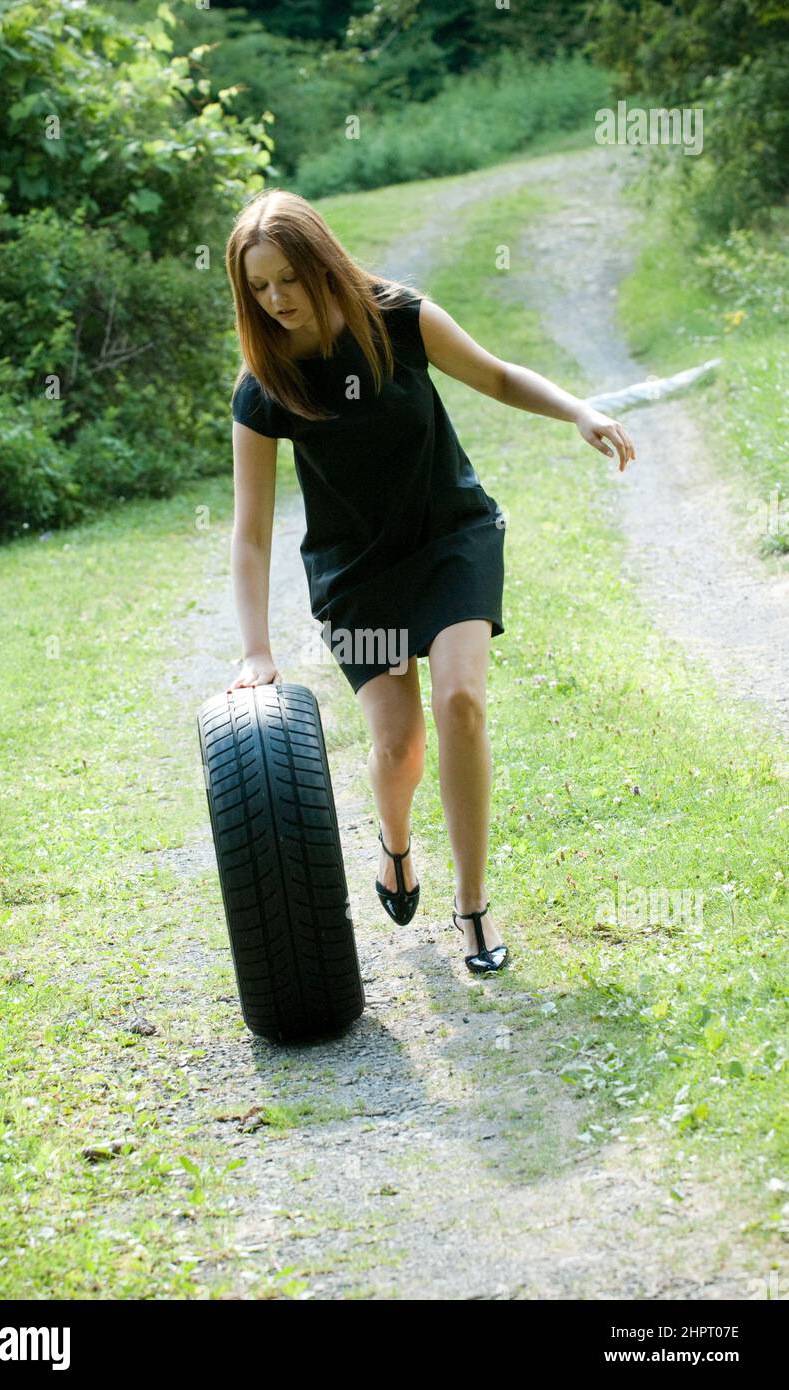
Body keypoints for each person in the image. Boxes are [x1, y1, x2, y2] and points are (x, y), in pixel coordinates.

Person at [223, 189, 635, 975]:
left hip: (450, 536)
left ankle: (473, 909)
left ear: (321, 263)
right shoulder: (263, 386)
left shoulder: (400, 320)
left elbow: (499, 376)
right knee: (398, 742)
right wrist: (255, 651)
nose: (276, 300)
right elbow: (248, 534)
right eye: (259, 287)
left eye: (288, 279)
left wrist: (577, 409)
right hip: (357, 574)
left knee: (461, 703)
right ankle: (396, 845)